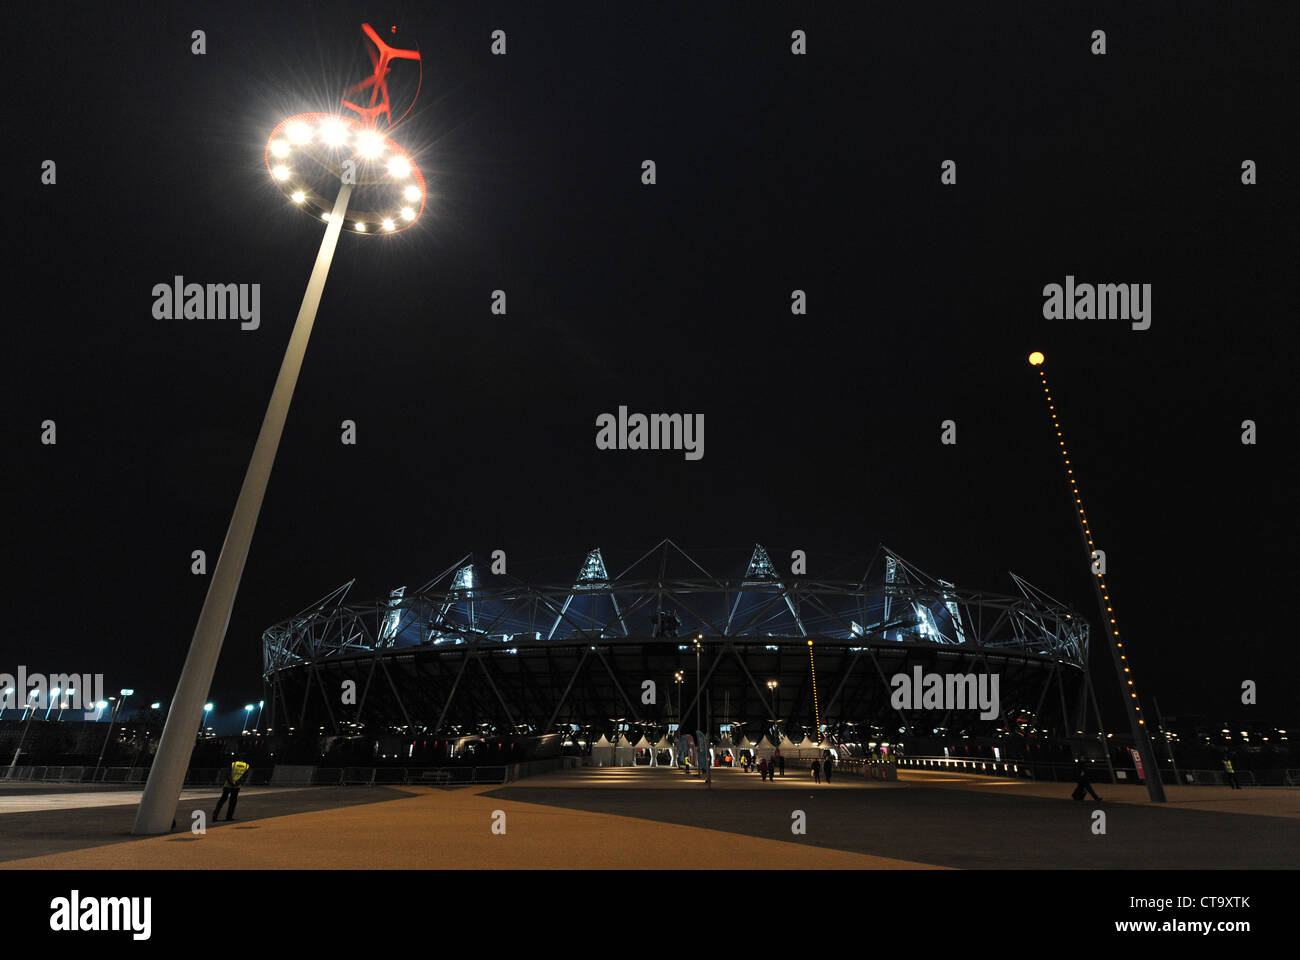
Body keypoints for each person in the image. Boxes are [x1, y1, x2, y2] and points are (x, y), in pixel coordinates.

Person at [213, 754, 252, 821]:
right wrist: (237, 782)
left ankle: (215, 816)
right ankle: (229, 817)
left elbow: (228, 774)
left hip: (228, 785)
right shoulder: (246, 766)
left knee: (222, 800)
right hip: (236, 786)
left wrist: (231, 781)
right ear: (243, 760)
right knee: (232, 802)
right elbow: (244, 777)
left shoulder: (233, 764)